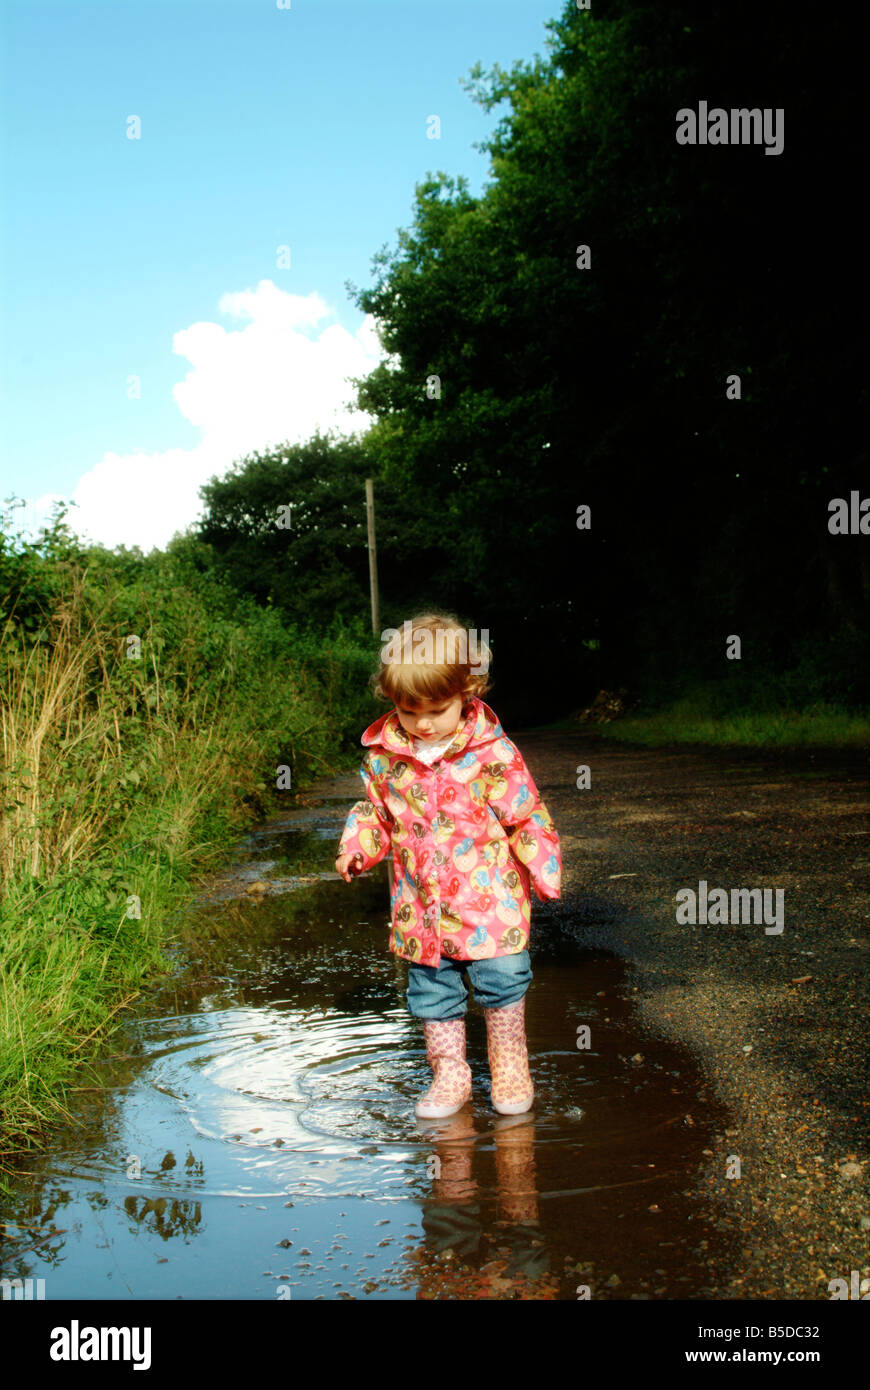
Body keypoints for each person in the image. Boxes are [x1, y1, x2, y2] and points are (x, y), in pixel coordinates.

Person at [335, 612, 561, 1119]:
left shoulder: (490, 752)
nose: (422, 723)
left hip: (493, 905)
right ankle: (450, 1074)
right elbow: (375, 814)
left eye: (436, 709)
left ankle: (508, 1065)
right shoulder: (385, 757)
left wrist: (542, 864)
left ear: (468, 689)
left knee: (502, 979)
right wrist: (357, 849)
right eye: (407, 708)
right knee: (432, 993)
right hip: (423, 906)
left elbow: (524, 814)